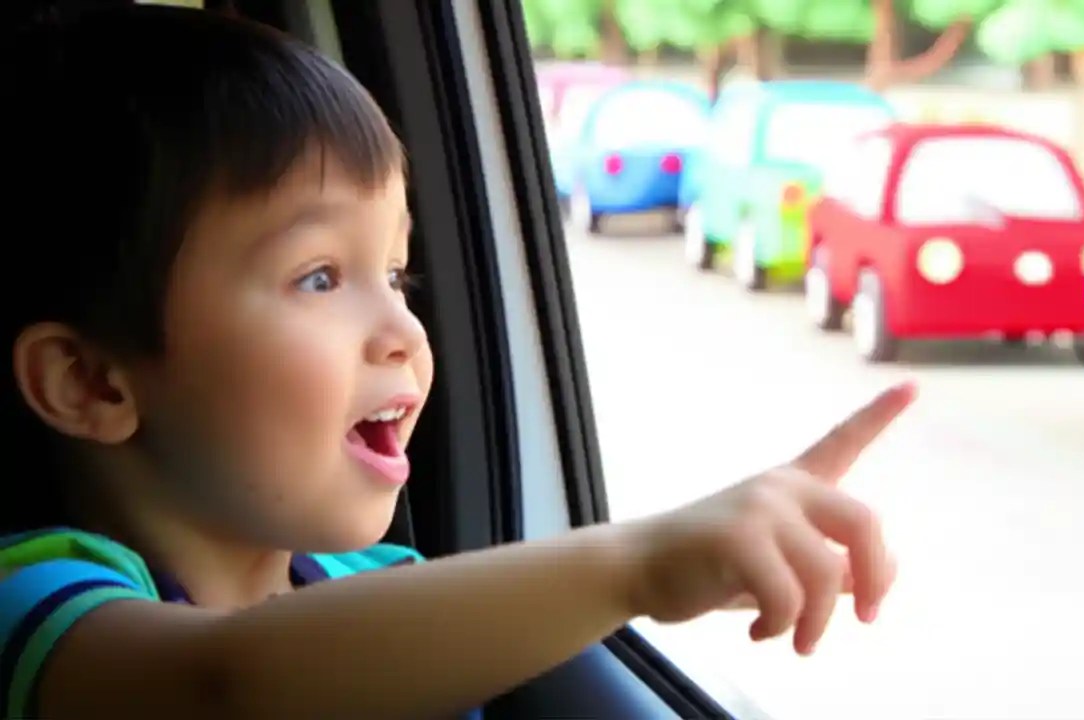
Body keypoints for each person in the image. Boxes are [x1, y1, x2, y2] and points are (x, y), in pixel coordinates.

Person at [0, 5, 918, 719]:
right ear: (91, 383)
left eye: (396, 271)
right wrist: (636, 564)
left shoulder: (385, 587)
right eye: (320, 276)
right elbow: (226, 686)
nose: (403, 325)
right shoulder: (39, 604)